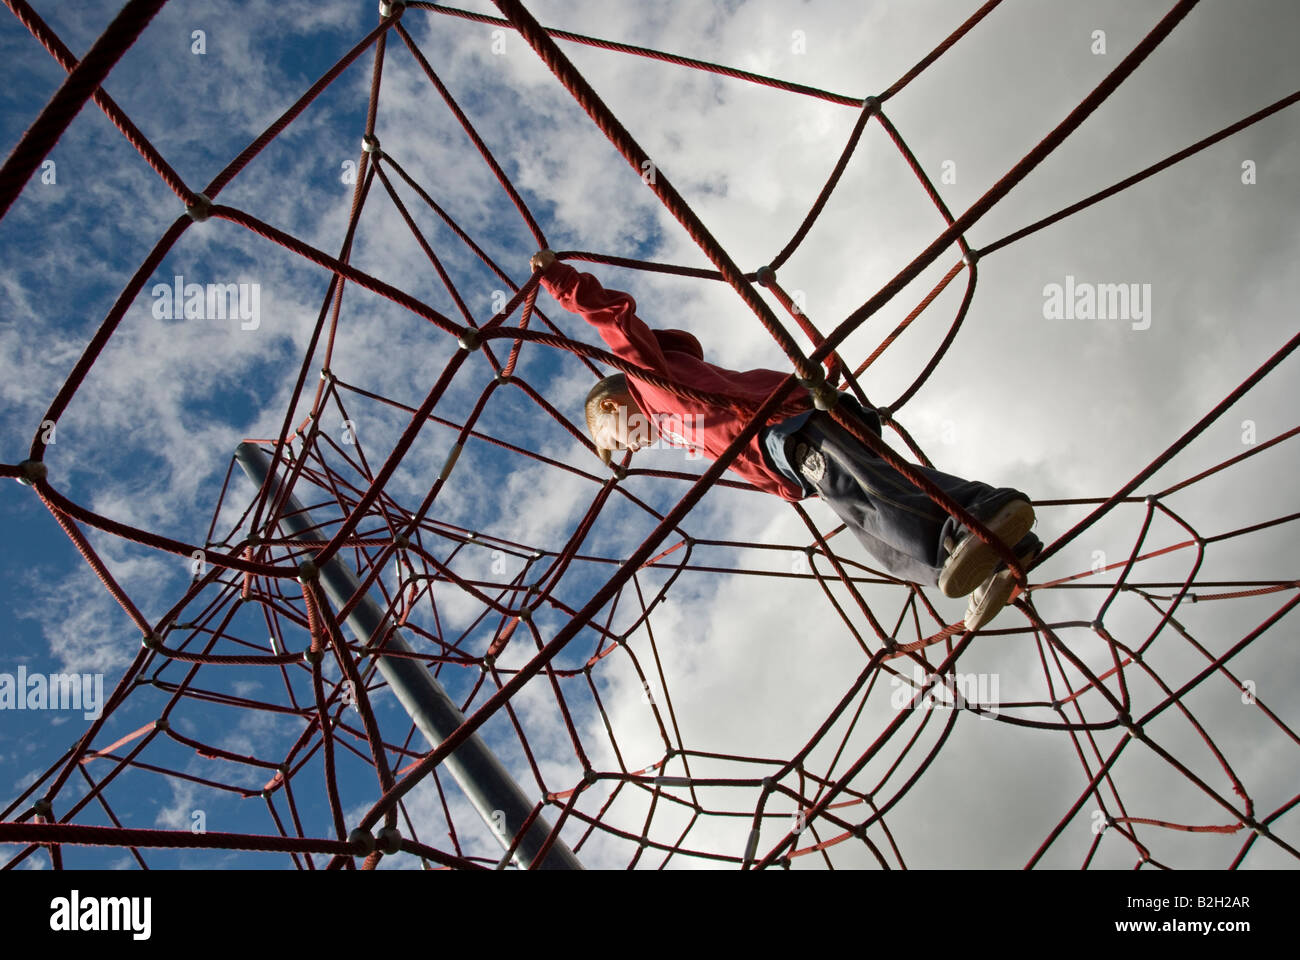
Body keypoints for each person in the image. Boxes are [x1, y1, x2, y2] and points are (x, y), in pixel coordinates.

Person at [529, 249, 1041, 630]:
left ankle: (966, 527)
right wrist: (781, 486)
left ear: (612, 406)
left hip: (792, 428)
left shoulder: (651, 385)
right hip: (790, 461)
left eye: (616, 437)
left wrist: (559, 281)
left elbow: (614, 319)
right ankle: (995, 551)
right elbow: (736, 454)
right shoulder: (674, 430)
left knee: (880, 499)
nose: (628, 448)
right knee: (878, 534)